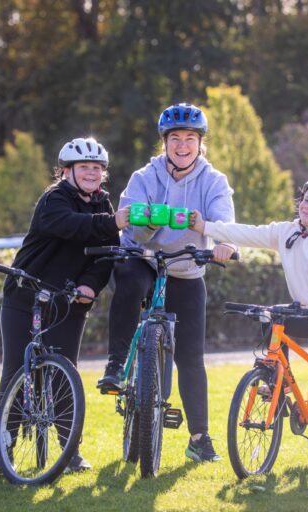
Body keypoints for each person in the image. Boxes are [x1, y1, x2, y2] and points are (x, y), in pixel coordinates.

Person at [189, 174, 308, 467]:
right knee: (270, 316)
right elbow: (246, 232)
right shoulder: (286, 231)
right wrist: (205, 227)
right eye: (306, 199)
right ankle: (281, 383)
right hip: (305, 311)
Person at [97, 103, 237, 463]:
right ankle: (115, 366)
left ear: (200, 143)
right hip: (145, 259)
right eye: (175, 138)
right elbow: (129, 223)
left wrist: (224, 244)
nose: (183, 146)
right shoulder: (144, 177)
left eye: (190, 139)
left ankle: (199, 438)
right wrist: (149, 222)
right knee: (127, 279)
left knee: (191, 357)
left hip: (186, 268)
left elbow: (225, 222)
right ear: (164, 142)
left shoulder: (213, 181)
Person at [0, 137, 130, 475]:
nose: (92, 173)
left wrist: (90, 285)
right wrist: (111, 223)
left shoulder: (103, 205)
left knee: (66, 375)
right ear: (66, 171)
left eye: (97, 168)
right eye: (84, 167)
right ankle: (3, 449)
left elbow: (105, 254)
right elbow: (71, 226)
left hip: (69, 301)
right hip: (26, 295)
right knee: (15, 373)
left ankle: (70, 452)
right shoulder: (53, 200)